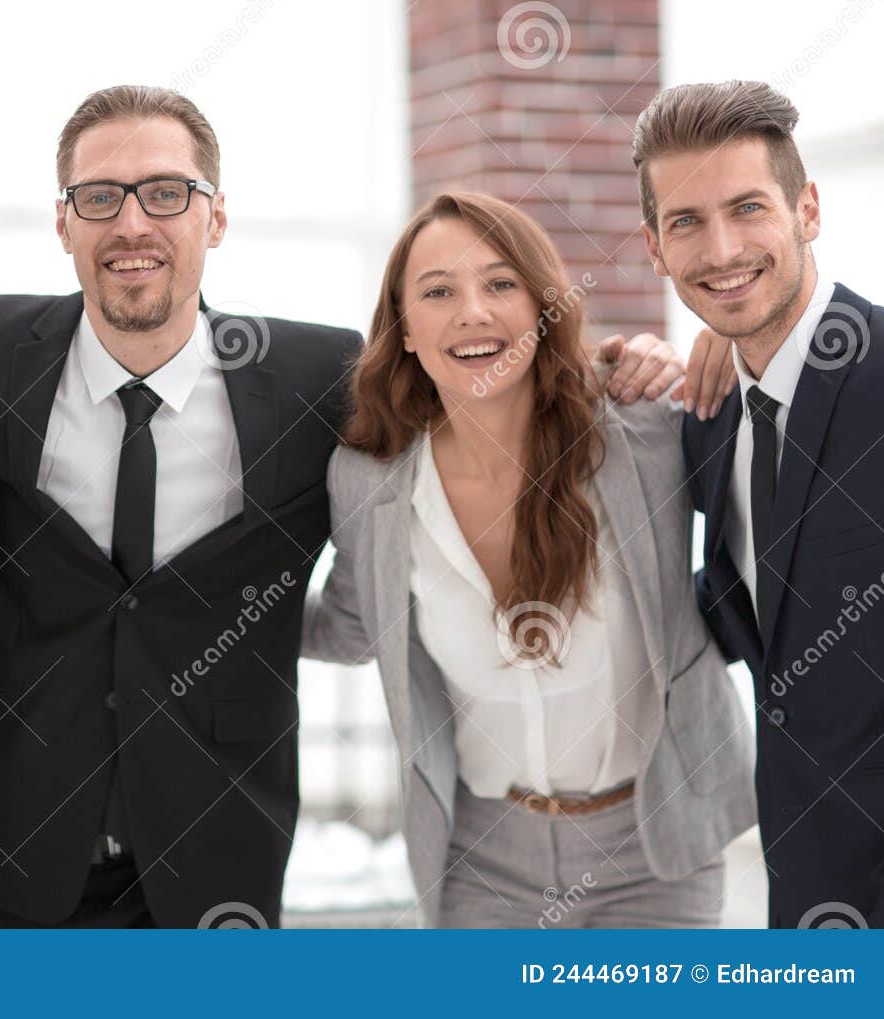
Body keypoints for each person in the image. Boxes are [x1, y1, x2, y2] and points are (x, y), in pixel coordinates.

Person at [0, 88, 708, 928]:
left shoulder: (314, 381)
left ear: (215, 218)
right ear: (64, 223)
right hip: (4, 861)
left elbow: (470, 385)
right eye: (101, 197)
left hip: (215, 865)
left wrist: (612, 369)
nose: (133, 220)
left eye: (166, 193)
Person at [304, 191, 755, 927]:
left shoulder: (640, 431)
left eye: (501, 283)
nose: (473, 311)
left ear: (542, 305)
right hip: (482, 857)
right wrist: (208, 609)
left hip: (655, 848)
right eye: (438, 292)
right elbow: (354, 627)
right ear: (406, 329)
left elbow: (770, 514)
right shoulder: (371, 480)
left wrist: (724, 352)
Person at [636, 79, 884, 929]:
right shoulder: (709, 420)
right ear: (655, 248)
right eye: (686, 222)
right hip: (811, 890)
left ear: (807, 209)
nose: (722, 249)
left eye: (747, 208)